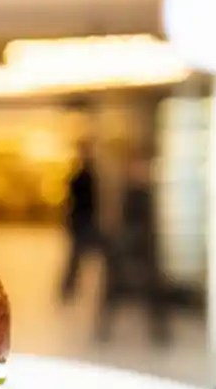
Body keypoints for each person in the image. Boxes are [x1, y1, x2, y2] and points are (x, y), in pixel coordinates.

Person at [96, 152, 169, 345]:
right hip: (132, 256)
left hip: (138, 255)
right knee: (117, 297)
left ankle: (159, 333)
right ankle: (103, 332)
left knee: (148, 298)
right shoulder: (132, 195)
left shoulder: (141, 193)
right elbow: (128, 227)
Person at [59, 147, 100, 301]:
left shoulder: (78, 176)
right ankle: (68, 288)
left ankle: (69, 288)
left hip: (79, 221)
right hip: (82, 221)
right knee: (76, 257)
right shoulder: (85, 177)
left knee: (76, 257)